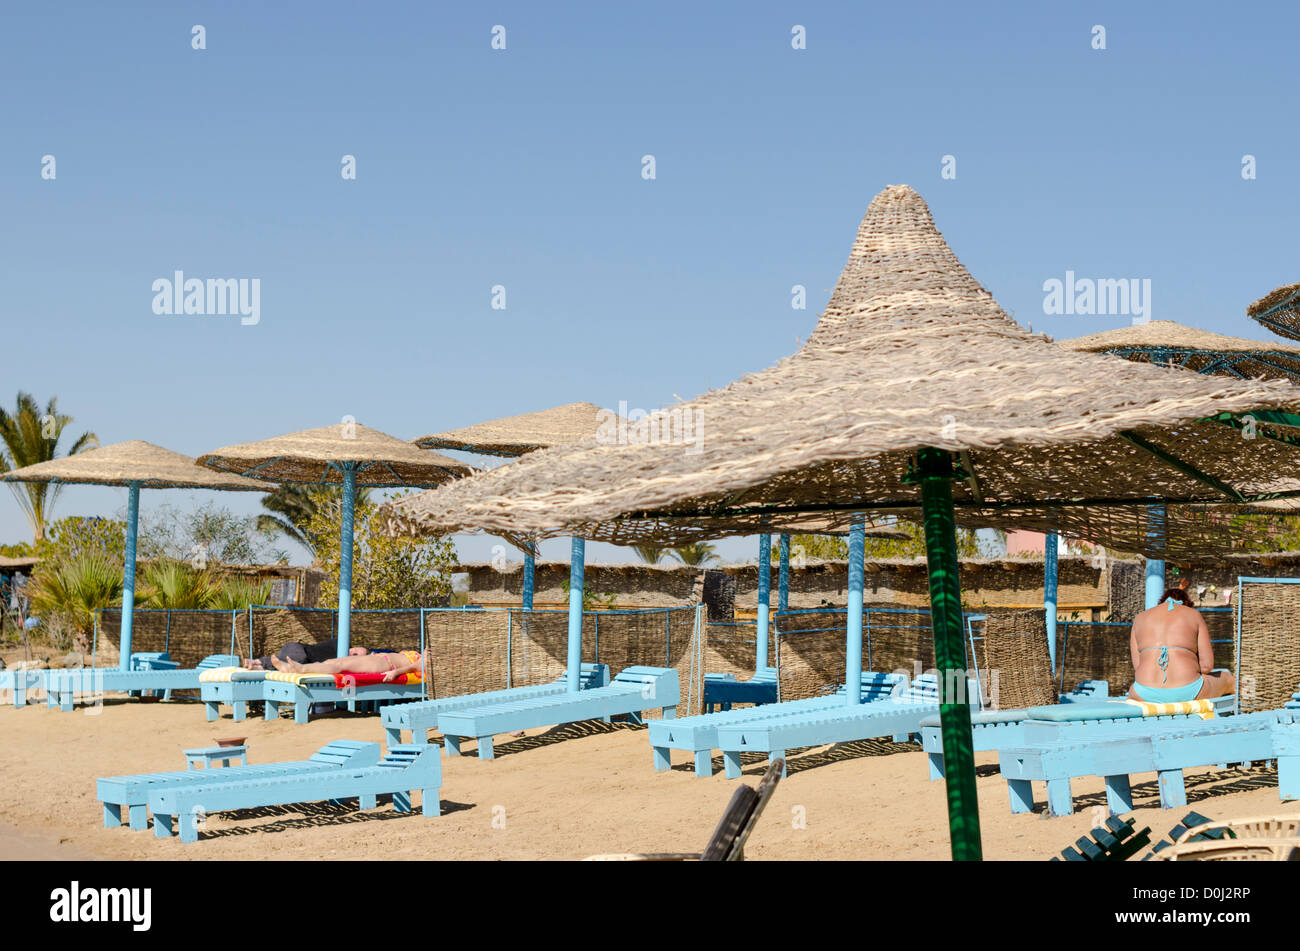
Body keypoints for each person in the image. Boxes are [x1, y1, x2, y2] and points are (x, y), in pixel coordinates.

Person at [1128, 586, 1234, 702]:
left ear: (1162, 602)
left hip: (1143, 693)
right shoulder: (1194, 615)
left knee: (1134, 687)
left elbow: (1138, 667)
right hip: (1186, 692)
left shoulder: (1139, 618)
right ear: (1186, 604)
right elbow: (1206, 666)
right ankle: (1247, 708)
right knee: (1227, 678)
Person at [270, 647, 428, 683]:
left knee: (339, 665)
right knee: (333, 662)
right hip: (382, 659)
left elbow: (416, 667)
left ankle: (302, 669)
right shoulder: (432, 649)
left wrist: (396, 672)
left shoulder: (434, 657)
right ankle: (291, 668)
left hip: (386, 664)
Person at [245, 639, 371, 670]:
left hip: (301, 660)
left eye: (355, 655)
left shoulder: (344, 661)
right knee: (299, 659)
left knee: (292, 667)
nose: (352, 652)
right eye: (356, 649)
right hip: (298, 649)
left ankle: (258, 666)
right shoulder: (341, 643)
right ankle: (258, 661)